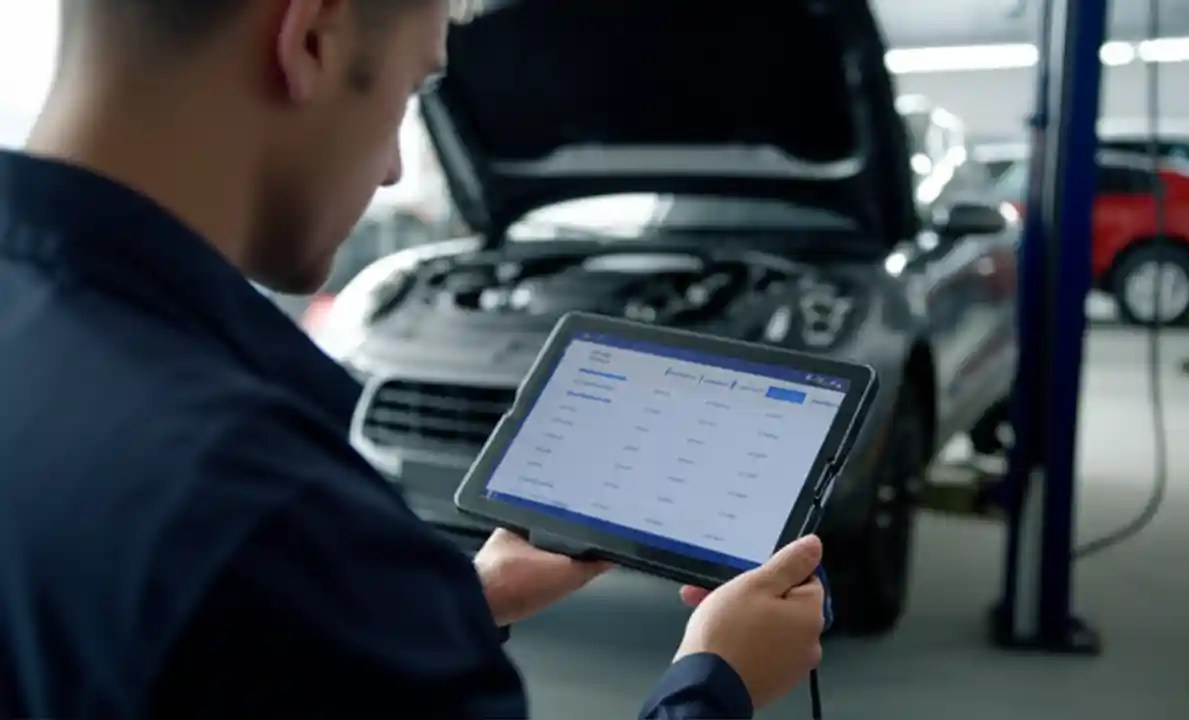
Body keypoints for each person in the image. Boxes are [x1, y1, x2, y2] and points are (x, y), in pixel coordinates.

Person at [0, 1, 827, 718]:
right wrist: (714, 685)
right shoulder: (270, 513)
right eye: (409, 91)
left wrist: (452, 605)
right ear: (313, 36)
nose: (395, 165)